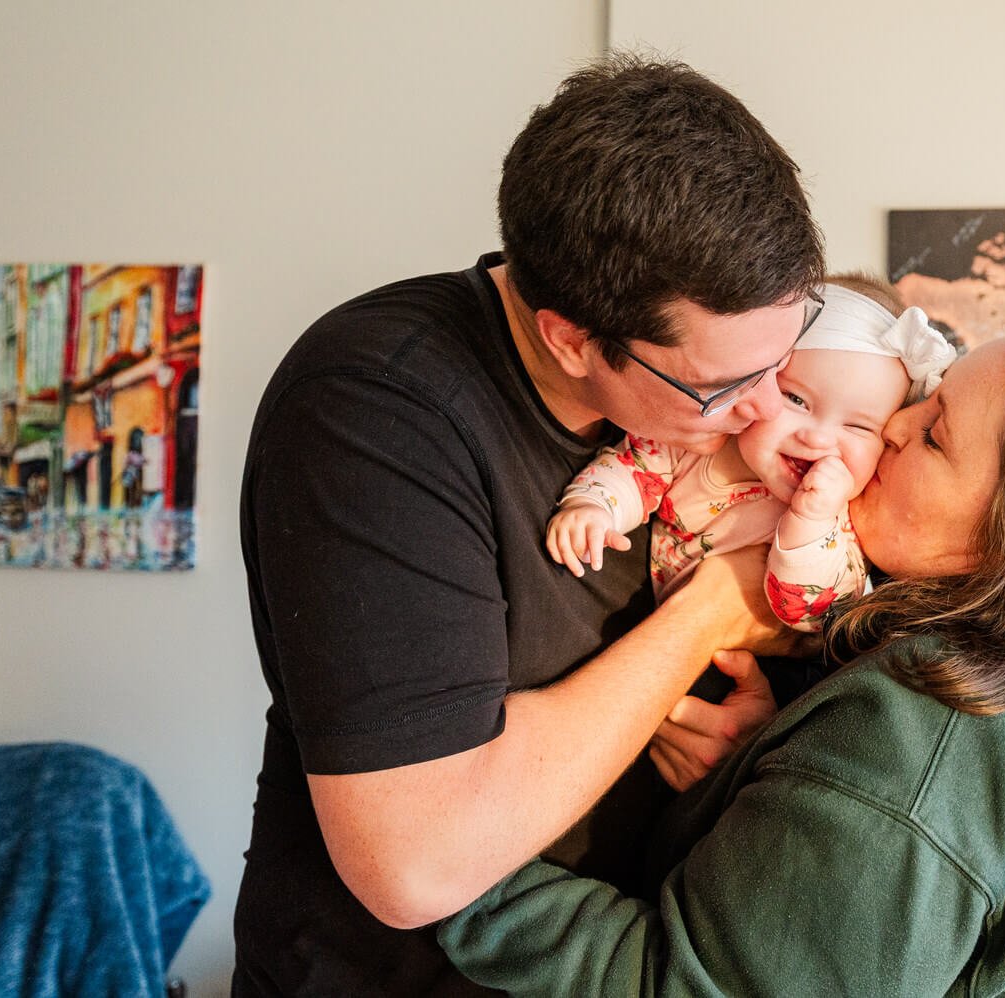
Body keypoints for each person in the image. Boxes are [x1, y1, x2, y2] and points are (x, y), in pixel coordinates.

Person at [436, 317, 1005, 996]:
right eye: (928, 399)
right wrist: (785, 759)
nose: (894, 424)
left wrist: (448, 858)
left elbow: (675, 987)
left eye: (934, 435)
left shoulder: (926, 740)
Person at [233, 55, 825, 995]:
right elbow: (414, 860)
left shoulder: (713, 400)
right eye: (719, 388)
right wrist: (713, 612)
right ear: (570, 339)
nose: (766, 411)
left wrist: (758, 739)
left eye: (783, 362)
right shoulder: (376, 408)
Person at [545, 277, 957, 635]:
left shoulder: (839, 520)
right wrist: (594, 508)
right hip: (657, 639)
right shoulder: (700, 443)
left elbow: (813, 614)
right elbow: (629, 470)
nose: (817, 438)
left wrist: (810, 522)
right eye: (796, 398)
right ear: (754, 383)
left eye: (858, 427)